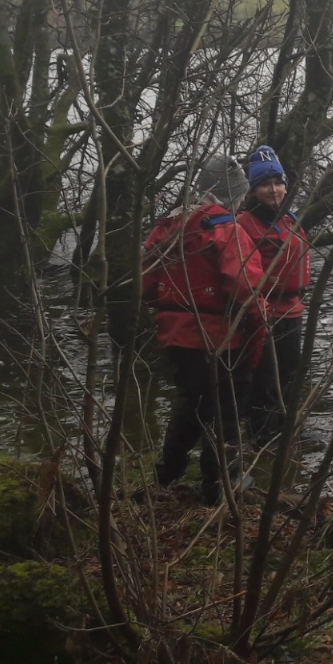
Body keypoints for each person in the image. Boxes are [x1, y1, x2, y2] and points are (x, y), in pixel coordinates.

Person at [142, 157, 267, 505]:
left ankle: (166, 474)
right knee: (226, 411)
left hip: (175, 334)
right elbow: (246, 288)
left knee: (190, 403)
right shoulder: (227, 229)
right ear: (236, 195)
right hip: (219, 337)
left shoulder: (169, 225)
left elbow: (146, 285)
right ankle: (220, 486)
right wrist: (260, 322)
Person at [236, 145, 312, 449]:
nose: (274, 190)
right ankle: (263, 438)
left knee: (290, 376)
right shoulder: (244, 224)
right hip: (264, 311)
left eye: (278, 183)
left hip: (292, 309)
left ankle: (287, 430)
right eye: (265, 184)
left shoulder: (288, 219)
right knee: (265, 379)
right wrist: (259, 309)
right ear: (253, 189)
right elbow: (243, 273)